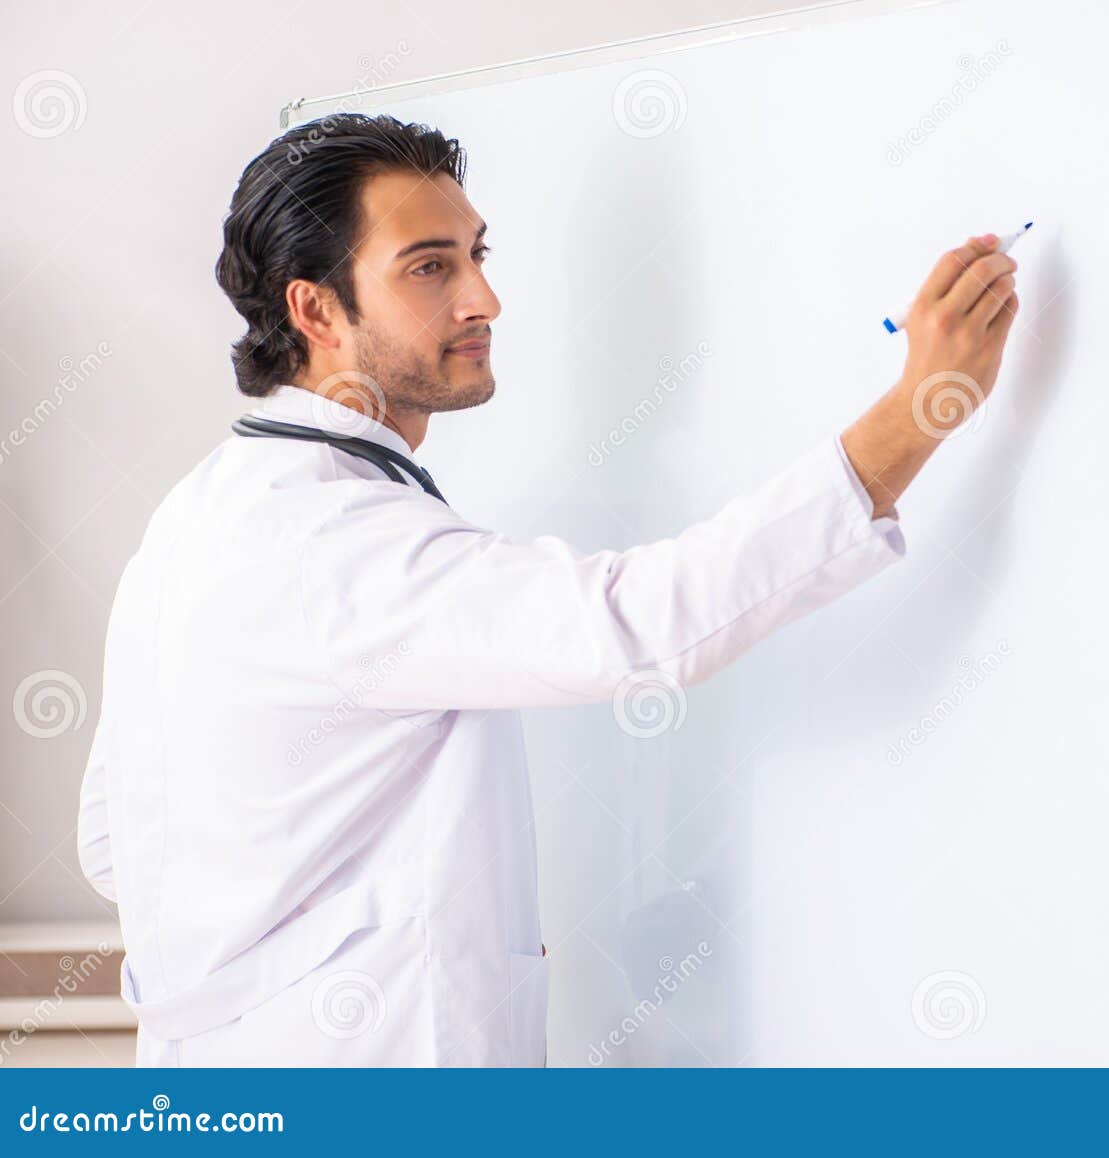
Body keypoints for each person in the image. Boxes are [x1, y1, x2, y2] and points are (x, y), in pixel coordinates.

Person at [76, 114, 1021, 1066]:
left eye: (477, 254)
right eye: (430, 267)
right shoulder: (327, 538)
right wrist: (919, 410)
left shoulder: (196, 518)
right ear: (317, 312)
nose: (485, 297)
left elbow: (113, 843)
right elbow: (635, 628)